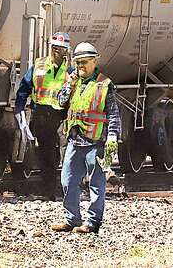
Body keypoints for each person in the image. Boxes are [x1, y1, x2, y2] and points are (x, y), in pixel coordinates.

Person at [49, 42, 120, 234]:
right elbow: (60, 103)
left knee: (96, 184)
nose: (80, 66)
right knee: (68, 181)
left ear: (95, 61)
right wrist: (69, 82)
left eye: (84, 62)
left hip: (96, 143)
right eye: (77, 62)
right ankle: (72, 219)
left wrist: (112, 138)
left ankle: (92, 223)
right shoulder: (74, 82)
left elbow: (113, 114)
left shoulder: (105, 85)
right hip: (74, 141)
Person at [14, 32, 73, 198]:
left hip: (62, 115)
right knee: (45, 154)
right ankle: (49, 192)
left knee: (66, 153)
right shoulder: (39, 65)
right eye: (54, 47)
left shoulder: (71, 70)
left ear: (66, 51)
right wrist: (19, 109)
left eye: (60, 48)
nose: (56, 51)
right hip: (41, 114)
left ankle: (67, 188)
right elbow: (24, 87)